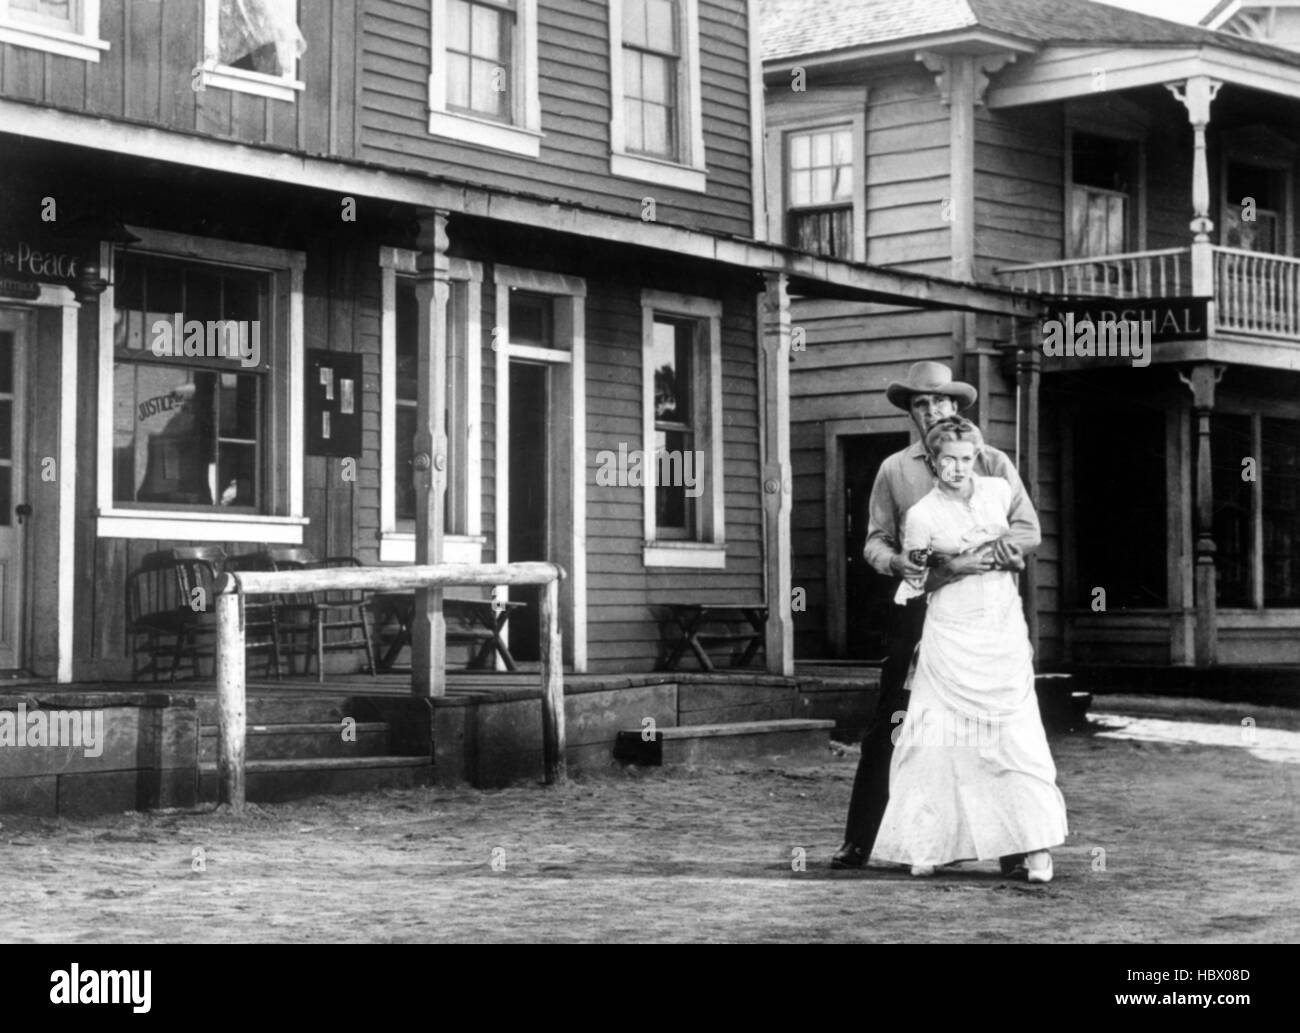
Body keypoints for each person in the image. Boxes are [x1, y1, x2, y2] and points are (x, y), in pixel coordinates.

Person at [831, 361, 1041, 871]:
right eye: (920, 404)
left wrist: (968, 564)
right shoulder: (895, 470)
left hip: (982, 616)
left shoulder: (990, 462)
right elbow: (876, 540)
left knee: (993, 721)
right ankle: (862, 840)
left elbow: (1026, 532)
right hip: (917, 610)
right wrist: (895, 560)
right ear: (911, 412)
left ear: (955, 407)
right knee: (895, 721)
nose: (930, 412)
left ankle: (1014, 849)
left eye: (939, 402)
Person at [870, 417, 1067, 881]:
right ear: (933, 461)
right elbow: (915, 583)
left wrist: (1013, 558)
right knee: (937, 739)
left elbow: (1023, 546)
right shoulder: (920, 515)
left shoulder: (999, 493)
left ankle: (1034, 850)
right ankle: (928, 845)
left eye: (965, 458)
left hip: (1000, 629)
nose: (957, 468)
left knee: (1015, 737)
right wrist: (955, 565)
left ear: (976, 458)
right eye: (947, 460)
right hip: (950, 633)